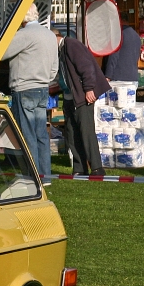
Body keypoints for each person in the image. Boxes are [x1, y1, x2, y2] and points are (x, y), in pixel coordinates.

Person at [0, 4, 58, 179]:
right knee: (41, 134)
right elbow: (54, 67)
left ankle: (33, 176)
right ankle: (45, 175)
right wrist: (45, 80)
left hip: (24, 88)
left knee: (27, 135)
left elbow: (1, 53)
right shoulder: (49, 35)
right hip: (42, 88)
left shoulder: (23, 34)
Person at [55, 28, 109, 176]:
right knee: (72, 133)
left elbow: (87, 67)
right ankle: (79, 168)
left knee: (86, 131)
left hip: (81, 96)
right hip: (70, 97)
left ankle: (97, 168)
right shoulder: (61, 50)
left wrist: (89, 88)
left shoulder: (71, 45)